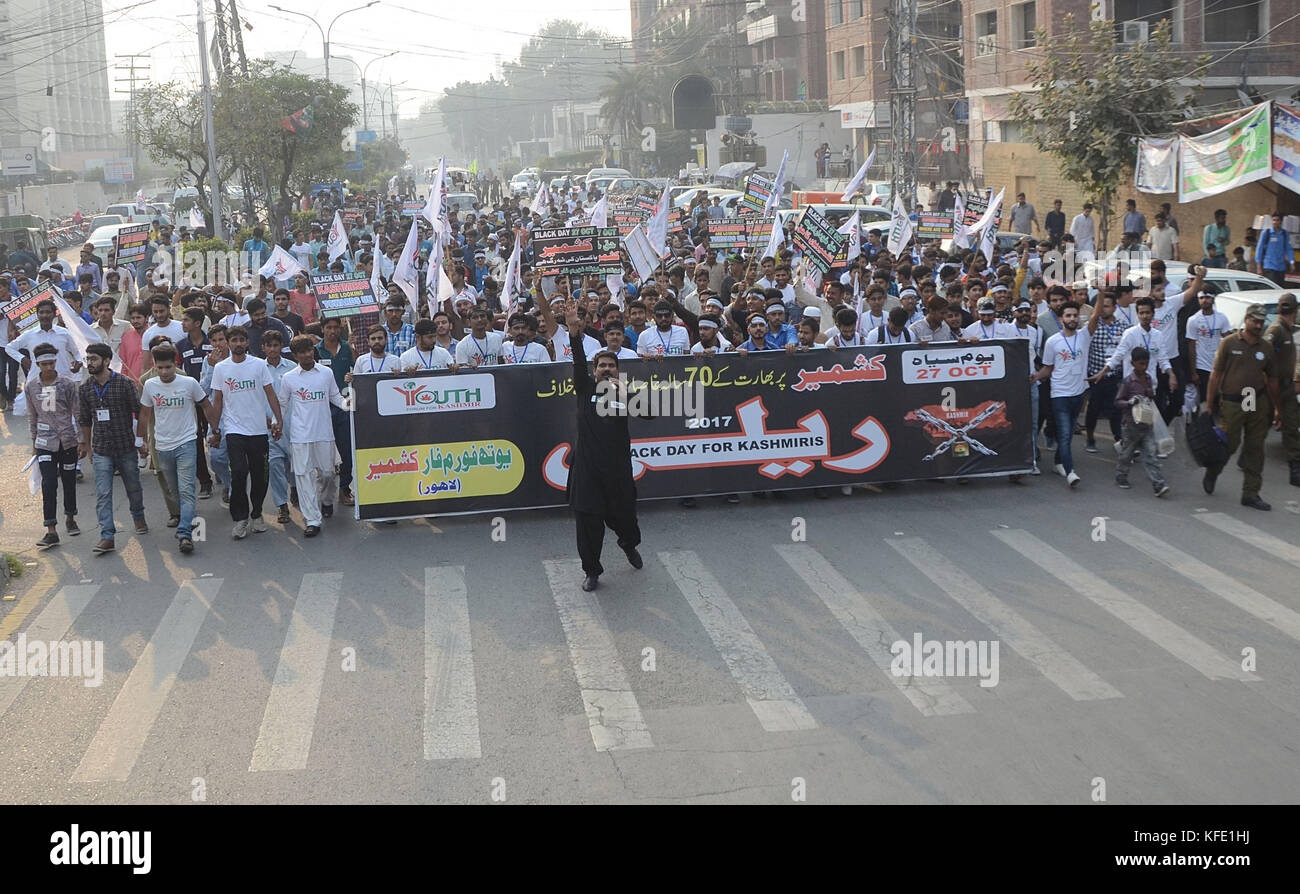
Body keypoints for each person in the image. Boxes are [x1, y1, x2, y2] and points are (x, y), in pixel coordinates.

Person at [562, 299, 645, 592]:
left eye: (611, 365)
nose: (606, 370)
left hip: (617, 472)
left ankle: (628, 544)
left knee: (625, 521)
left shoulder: (625, 395)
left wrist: (625, 392)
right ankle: (592, 571)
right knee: (588, 523)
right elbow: (576, 358)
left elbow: (646, 412)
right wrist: (574, 331)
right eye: (602, 366)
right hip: (587, 471)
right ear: (594, 370)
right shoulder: (585, 389)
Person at [137, 343, 216, 554]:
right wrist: (140, 442)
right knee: (174, 491)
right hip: (162, 447)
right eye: (160, 367)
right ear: (155, 366)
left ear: (175, 364)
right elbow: (144, 415)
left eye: (168, 367)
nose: (164, 372)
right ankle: (187, 519)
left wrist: (216, 431)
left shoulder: (189, 383)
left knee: (186, 490)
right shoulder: (150, 386)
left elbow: (206, 406)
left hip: (186, 443)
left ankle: (184, 535)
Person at [208, 325, 284, 538]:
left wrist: (278, 421)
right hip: (234, 431)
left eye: (242, 340)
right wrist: (216, 430)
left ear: (247, 342)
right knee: (239, 473)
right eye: (234, 340)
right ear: (229, 343)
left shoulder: (259, 365)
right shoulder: (221, 368)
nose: (238, 344)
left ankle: (257, 513)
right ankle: (241, 519)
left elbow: (270, 394)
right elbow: (218, 400)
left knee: (260, 476)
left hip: (259, 430)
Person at [1202, 304, 1280, 510]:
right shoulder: (1229, 343)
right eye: (1254, 321)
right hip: (1232, 401)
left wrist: (1277, 407)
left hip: (1256, 399)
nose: (1258, 325)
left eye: (1261, 322)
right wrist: (1209, 404)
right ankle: (1213, 471)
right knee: (1229, 444)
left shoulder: (1266, 348)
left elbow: (1272, 379)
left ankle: (1251, 493)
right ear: (1246, 320)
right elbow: (1216, 374)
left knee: (1255, 447)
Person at [78, 343, 147, 555]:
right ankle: (107, 535)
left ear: (107, 361)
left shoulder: (125, 384)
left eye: (94, 359)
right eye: (88, 359)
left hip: (125, 445)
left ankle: (138, 516)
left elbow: (139, 412)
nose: (90, 363)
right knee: (103, 493)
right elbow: (85, 420)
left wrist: (141, 441)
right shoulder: (85, 388)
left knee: (133, 487)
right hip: (101, 449)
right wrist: (87, 446)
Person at [279, 335, 346, 537]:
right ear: (295, 355)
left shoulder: (326, 373)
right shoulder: (289, 378)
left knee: (327, 473)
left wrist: (346, 404)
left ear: (313, 350)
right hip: (300, 435)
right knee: (303, 476)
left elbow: (335, 396)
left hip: (324, 432)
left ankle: (326, 501)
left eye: (309, 350)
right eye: (302, 352)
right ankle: (312, 519)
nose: (307, 355)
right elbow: (282, 404)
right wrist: (276, 424)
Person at [1032, 300, 1090, 487]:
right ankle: (1070, 471)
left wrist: (1103, 291)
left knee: (1068, 435)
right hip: (1060, 395)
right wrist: (1034, 378)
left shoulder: (1084, 336)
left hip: (1078, 394)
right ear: (1061, 318)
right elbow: (1048, 368)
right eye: (1068, 315)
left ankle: (1059, 462)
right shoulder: (1053, 342)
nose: (1072, 319)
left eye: (1075, 315)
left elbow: (1096, 316)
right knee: (1064, 435)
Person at [29, 343, 81, 548]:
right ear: (38, 364)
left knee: (69, 481)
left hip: (67, 441)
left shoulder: (67, 385)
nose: (49, 367)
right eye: (44, 364)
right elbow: (32, 416)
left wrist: (83, 441)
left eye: (51, 363)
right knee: (48, 484)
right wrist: (33, 442)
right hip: (44, 442)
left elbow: (77, 412)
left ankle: (70, 517)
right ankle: (51, 529)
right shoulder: (31, 386)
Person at [1113, 347, 1170, 497]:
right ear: (1133, 363)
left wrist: (1149, 395)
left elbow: (1150, 398)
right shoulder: (1128, 382)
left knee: (1151, 455)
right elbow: (1118, 401)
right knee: (1127, 454)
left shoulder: (1149, 379)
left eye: (1146, 363)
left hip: (1146, 423)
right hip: (1131, 425)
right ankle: (1121, 475)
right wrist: (1130, 402)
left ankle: (1158, 484)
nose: (1144, 367)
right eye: (1141, 364)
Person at [315, 316, 355, 509]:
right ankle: (325, 496)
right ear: (322, 329)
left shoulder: (348, 348)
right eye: (329, 327)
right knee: (325, 454)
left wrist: (352, 376)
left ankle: (345, 489)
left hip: (345, 406)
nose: (333, 331)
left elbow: (357, 372)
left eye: (336, 327)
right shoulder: (315, 350)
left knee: (347, 450)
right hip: (321, 407)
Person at [1264, 293, 1299, 486]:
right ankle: (1246, 459)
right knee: (1259, 426)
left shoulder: (1289, 331)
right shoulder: (1276, 329)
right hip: (1271, 386)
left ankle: (1295, 469)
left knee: (1291, 426)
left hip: (1287, 387)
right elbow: (1264, 351)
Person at [6, 299, 80, 379]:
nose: (44, 315)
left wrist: (79, 363)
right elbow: (9, 348)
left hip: (62, 378)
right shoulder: (29, 334)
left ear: (54, 314)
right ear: (37, 315)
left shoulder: (64, 333)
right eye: (41, 312)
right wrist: (22, 359)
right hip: (37, 380)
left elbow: (78, 351)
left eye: (48, 312)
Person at [1255, 213, 1294, 285]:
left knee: (1280, 286)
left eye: (1277, 220)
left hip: (1281, 266)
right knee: (1272, 286)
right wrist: (1259, 266)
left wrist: (1291, 262)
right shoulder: (1266, 233)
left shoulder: (1284, 234)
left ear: (1281, 222)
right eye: (1273, 220)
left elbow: (1288, 249)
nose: (1275, 222)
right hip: (1269, 265)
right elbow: (1259, 249)